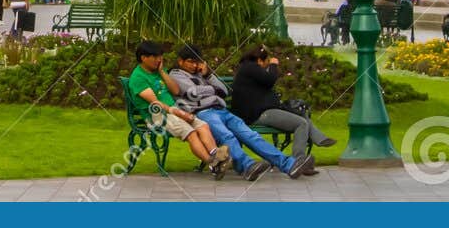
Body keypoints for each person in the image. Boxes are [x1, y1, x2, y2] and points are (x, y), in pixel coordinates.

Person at [168, 44, 311, 179]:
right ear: (180, 61)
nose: (194, 65)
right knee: (227, 137)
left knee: (252, 136)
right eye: (190, 62)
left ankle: (288, 165)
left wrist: (208, 75)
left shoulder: (201, 75)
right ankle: (247, 166)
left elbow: (224, 90)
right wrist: (213, 90)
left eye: (197, 62)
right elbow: (193, 93)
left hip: (222, 111)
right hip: (204, 114)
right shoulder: (176, 75)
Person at [126, 40, 228, 174]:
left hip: (174, 110)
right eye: (155, 57)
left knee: (203, 126)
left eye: (160, 56)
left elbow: (175, 91)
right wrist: (181, 114)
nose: (159, 60)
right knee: (191, 133)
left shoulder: (157, 72)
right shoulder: (138, 78)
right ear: (144, 58)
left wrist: (162, 72)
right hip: (157, 115)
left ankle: (216, 154)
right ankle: (213, 164)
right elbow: (156, 104)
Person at [230, 45, 337, 166]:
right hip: (258, 114)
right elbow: (270, 79)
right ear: (260, 60)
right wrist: (274, 65)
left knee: (300, 113)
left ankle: (319, 139)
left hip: (264, 110)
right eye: (266, 61)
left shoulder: (248, 69)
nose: (267, 64)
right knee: (301, 123)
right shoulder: (251, 68)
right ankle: (298, 162)